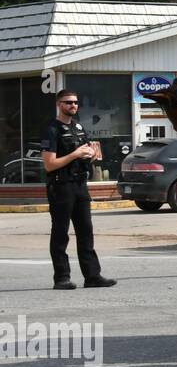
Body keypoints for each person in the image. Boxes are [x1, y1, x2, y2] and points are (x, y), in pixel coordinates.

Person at [40, 88, 115, 290]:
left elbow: (84, 152)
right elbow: (49, 164)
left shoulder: (79, 127)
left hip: (80, 185)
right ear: (59, 104)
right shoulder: (52, 129)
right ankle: (61, 278)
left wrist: (91, 154)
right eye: (68, 102)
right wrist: (75, 154)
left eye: (75, 102)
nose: (72, 105)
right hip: (61, 186)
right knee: (60, 233)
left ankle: (92, 276)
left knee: (86, 232)